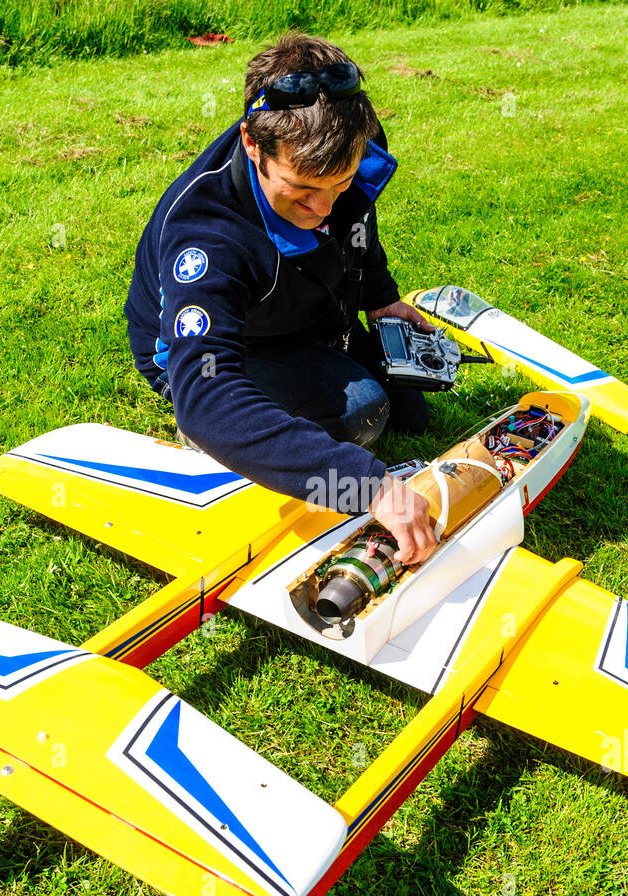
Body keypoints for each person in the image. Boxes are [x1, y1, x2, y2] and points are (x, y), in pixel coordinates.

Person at [124, 33, 438, 564]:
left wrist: (380, 296)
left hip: (295, 312)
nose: (323, 207)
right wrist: (369, 487)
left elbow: (356, 216)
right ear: (252, 143)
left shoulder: (343, 129)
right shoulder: (206, 238)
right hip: (208, 357)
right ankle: (217, 443)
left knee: (414, 410)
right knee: (365, 409)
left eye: (337, 183)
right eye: (301, 190)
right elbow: (209, 394)